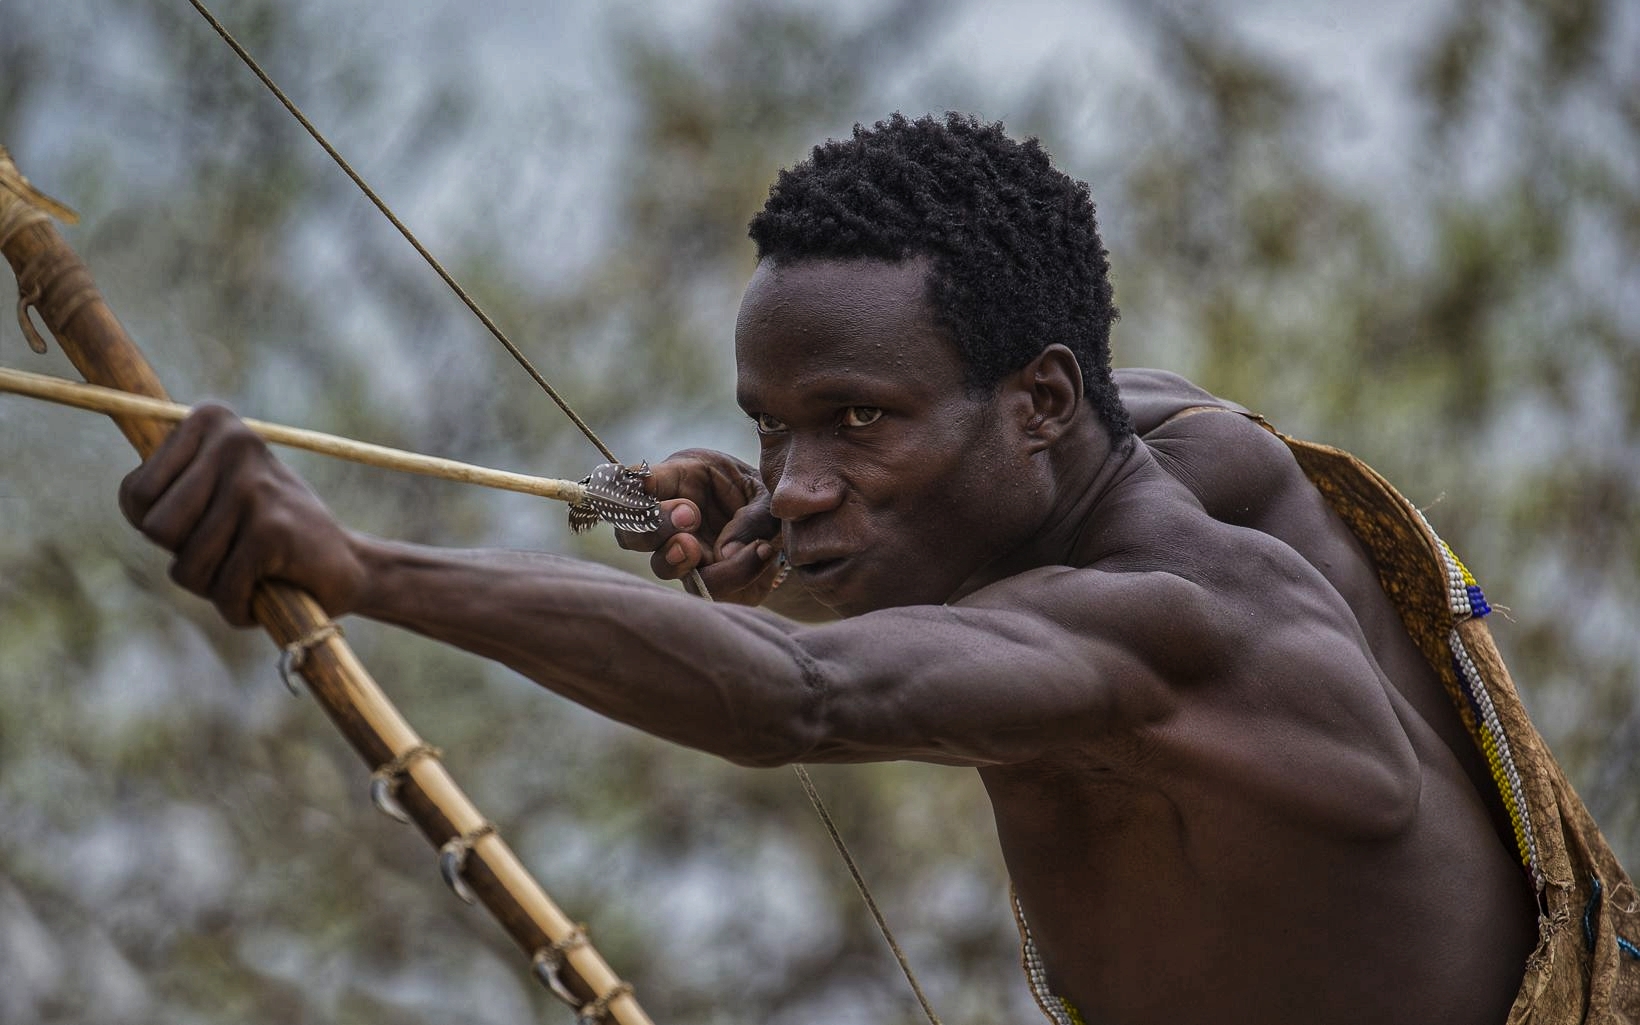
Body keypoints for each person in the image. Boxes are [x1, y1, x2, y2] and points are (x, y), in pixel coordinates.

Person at [117, 113, 1636, 1024]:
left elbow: (803, 700)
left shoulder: (1183, 635)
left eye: (855, 421)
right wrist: (808, 500)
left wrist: (354, 564)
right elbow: (946, 504)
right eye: (768, 431)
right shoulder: (1155, 434)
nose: (796, 479)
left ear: (1039, 401)